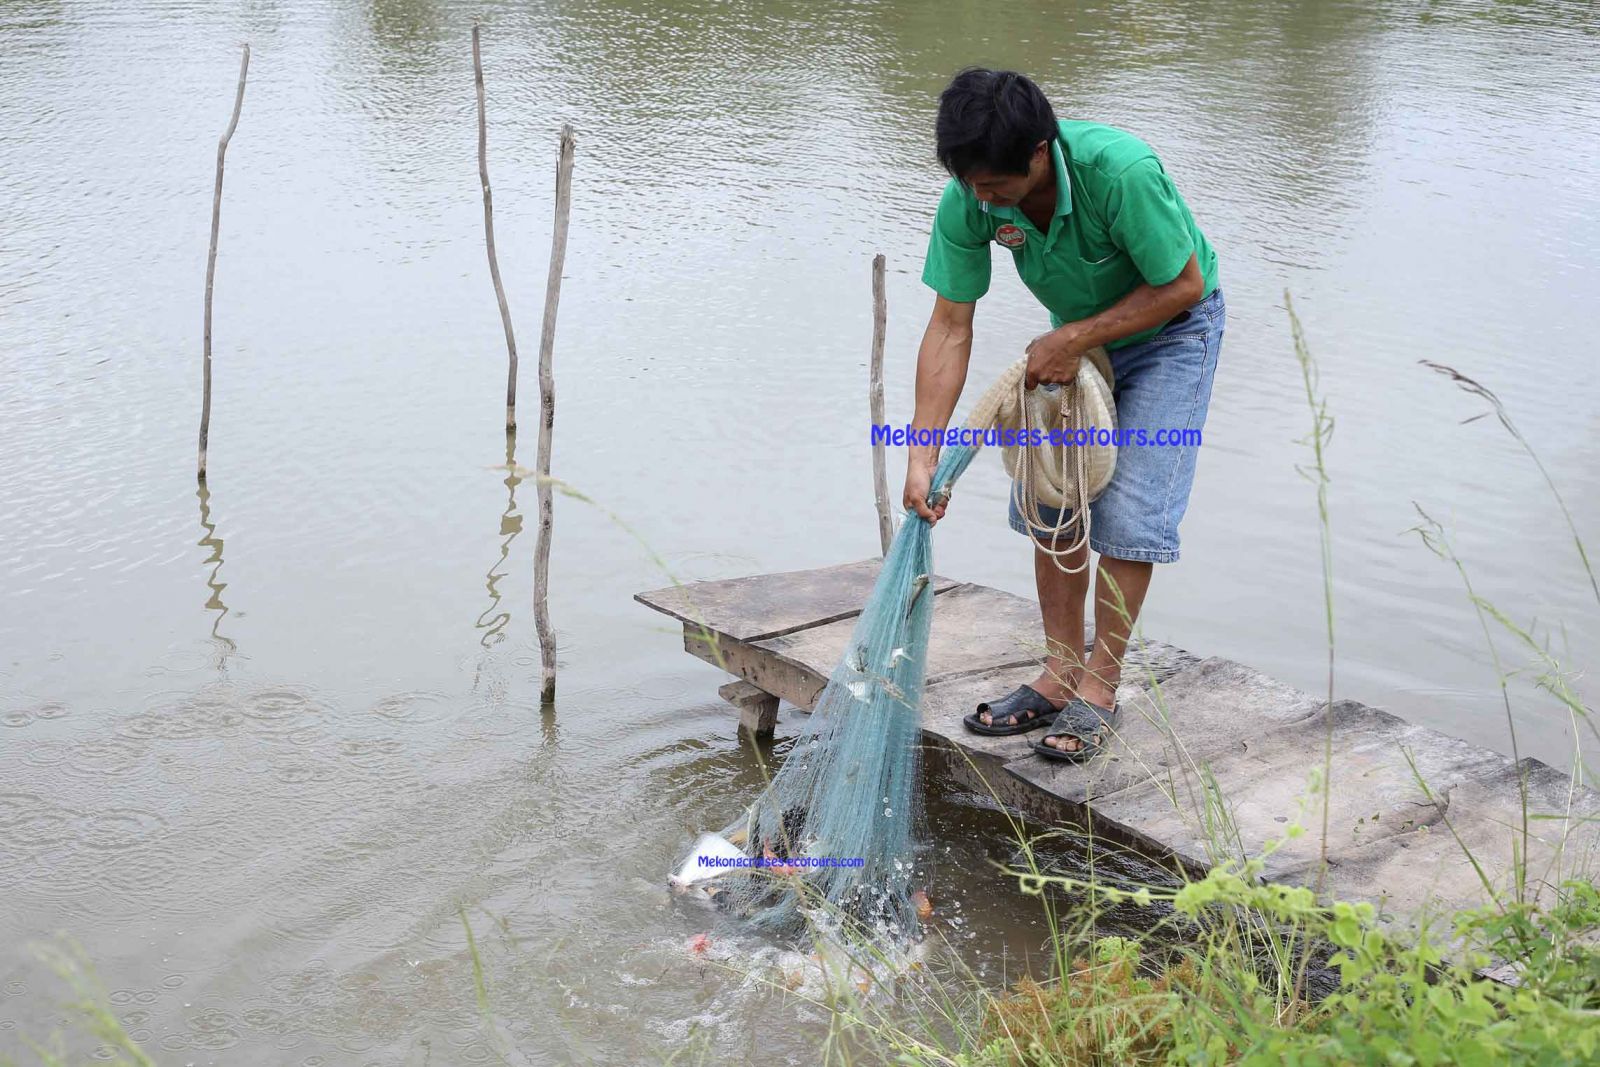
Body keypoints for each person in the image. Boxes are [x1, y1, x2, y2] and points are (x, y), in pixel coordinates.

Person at [904, 68, 1224, 762]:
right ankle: (1058, 673)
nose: (981, 200)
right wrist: (922, 453)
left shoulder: (1121, 172)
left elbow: (1184, 283)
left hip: (1172, 332)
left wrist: (1074, 337)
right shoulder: (969, 199)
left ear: (1041, 151)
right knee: (1054, 498)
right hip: (1073, 342)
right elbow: (950, 326)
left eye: (995, 186)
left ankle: (1100, 688)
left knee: (1132, 514)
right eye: (970, 185)